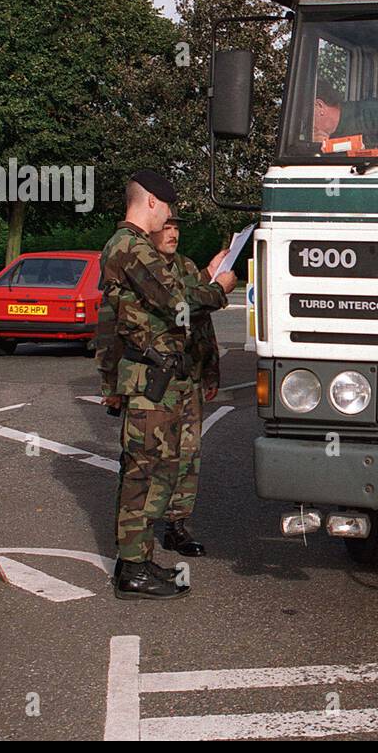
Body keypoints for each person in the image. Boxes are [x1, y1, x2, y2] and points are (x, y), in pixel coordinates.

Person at [96, 170, 236, 600]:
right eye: (168, 209)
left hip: (160, 378)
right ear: (152, 202)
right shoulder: (130, 247)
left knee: (154, 469)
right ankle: (132, 570)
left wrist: (206, 278)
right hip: (148, 379)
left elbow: (172, 293)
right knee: (144, 471)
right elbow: (176, 301)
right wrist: (220, 289)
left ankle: (138, 559)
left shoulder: (134, 248)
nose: (170, 219)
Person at [150, 215, 220, 559]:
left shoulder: (187, 266)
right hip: (156, 380)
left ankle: (176, 525)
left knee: (188, 454)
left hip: (188, 377)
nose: (173, 233)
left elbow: (203, 321)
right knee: (153, 455)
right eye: (166, 227)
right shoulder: (143, 266)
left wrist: (210, 371)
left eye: (177, 227)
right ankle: (139, 525)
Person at [312, 79, 378, 150]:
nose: (304, 127)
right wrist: (317, 148)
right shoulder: (320, 136)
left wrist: (332, 146)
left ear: (319, 106)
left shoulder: (375, 112)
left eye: (305, 119)